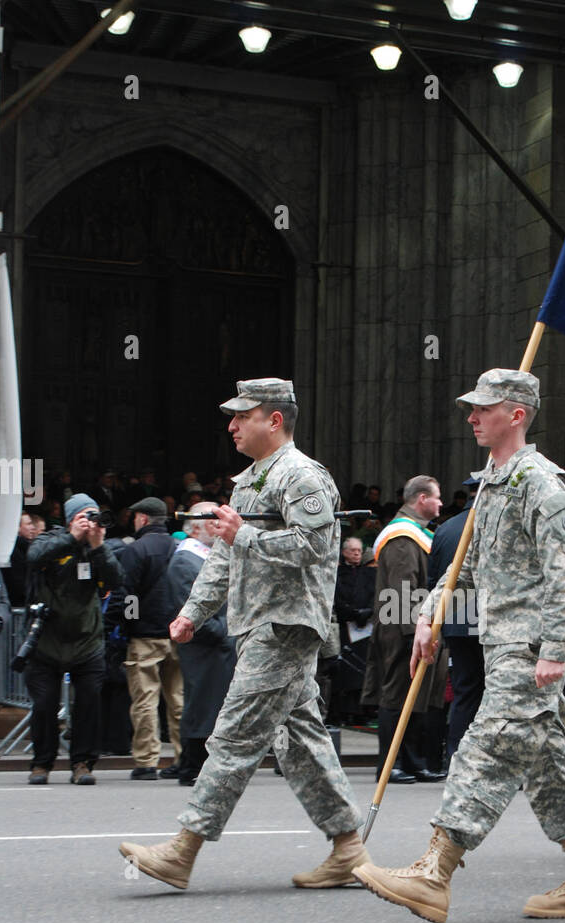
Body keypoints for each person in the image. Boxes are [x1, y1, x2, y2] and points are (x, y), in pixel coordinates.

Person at [354, 368, 565, 923]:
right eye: (470, 409)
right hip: (498, 642)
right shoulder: (493, 483)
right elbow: (464, 568)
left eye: (483, 409)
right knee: (547, 765)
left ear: (516, 415)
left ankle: (435, 869)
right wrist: (428, 615)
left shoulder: (543, 483)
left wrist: (555, 647)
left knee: (487, 746)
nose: (471, 417)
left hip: (527, 649)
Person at [119, 378, 369, 892]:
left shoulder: (300, 476)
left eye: (242, 416)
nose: (231, 426)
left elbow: (314, 548)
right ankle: (349, 848)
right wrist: (192, 612)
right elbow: (226, 559)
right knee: (300, 740)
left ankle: (182, 850)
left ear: (274, 420)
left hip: (285, 626)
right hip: (261, 624)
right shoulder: (251, 480)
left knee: (232, 735)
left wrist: (244, 534)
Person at [24, 493, 124, 784]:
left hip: (87, 640)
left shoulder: (97, 548)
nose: (91, 522)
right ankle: (41, 764)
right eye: (85, 516)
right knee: (44, 704)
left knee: (89, 704)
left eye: (95, 516)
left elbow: (117, 580)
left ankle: (83, 763)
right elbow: (34, 558)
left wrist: (97, 546)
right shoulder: (50, 539)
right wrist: (72, 537)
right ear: (71, 519)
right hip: (47, 640)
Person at [361, 474, 448, 784]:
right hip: (401, 627)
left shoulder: (416, 533)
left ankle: (412, 761)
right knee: (397, 696)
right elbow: (402, 589)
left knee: (416, 697)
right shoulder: (402, 536)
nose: (441, 503)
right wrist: (413, 632)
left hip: (409, 625)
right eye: (436, 497)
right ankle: (391, 763)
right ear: (421, 499)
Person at [165, 502, 236, 786]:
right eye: (211, 521)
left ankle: (202, 764)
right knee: (201, 706)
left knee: (213, 706)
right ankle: (191, 765)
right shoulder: (185, 560)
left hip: (217, 645)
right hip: (204, 645)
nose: (217, 526)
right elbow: (189, 606)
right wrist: (224, 631)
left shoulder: (208, 556)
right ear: (195, 527)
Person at [120, 497, 183, 780]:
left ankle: (147, 761)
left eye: (135, 517)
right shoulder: (179, 547)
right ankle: (186, 757)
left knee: (145, 700)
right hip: (177, 634)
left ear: (143, 519)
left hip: (145, 636)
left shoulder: (137, 550)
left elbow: (129, 594)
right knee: (179, 700)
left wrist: (130, 623)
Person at [426, 475, 484, 763]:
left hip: (455, 621)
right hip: (490, 620)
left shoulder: (445, 528)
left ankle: (456, 756)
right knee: (494, 694)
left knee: (464, 692)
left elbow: (434, 579)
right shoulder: (490, 522)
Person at [332, 536, 376, 726]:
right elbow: (336, 598)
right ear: (344, 552)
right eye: (353, 550)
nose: (357, 553)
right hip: (346, 625)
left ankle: (364, 709)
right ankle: (346, 711)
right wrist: (351, 613)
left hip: (366, 626)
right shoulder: (338, 573)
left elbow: (375, 594)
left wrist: (367, 612)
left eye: (359, 550)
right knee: (346, 671)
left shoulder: (369, 573)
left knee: (364, 668)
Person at [0, 511, 36, 606]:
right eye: (28, 524)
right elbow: (18, 586)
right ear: (17, 527)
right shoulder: (13, 552)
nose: (33, 527)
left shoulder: (24, 548)